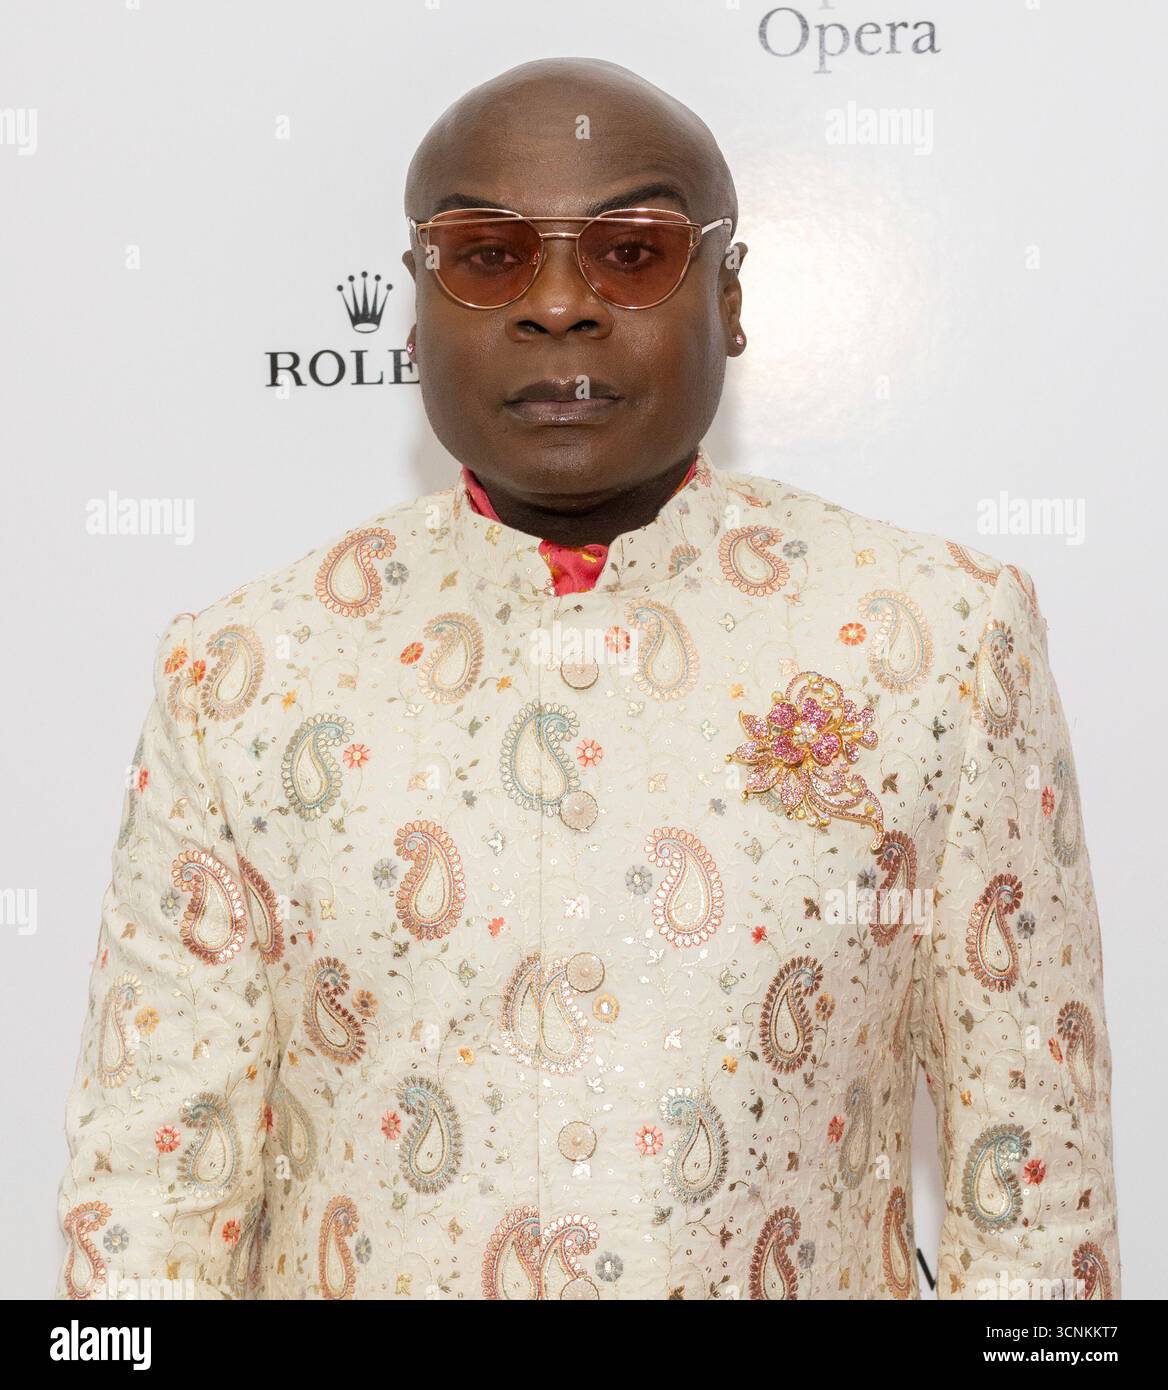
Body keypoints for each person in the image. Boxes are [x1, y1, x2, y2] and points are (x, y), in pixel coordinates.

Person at [55, 57, 1120, 1301]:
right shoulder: (240, 676)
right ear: (415, 305)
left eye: (630, 250)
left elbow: (1039, 1202)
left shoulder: (935, 642)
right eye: (489, 253)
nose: (558, 304)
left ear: (728, 297)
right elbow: (146, 1208)